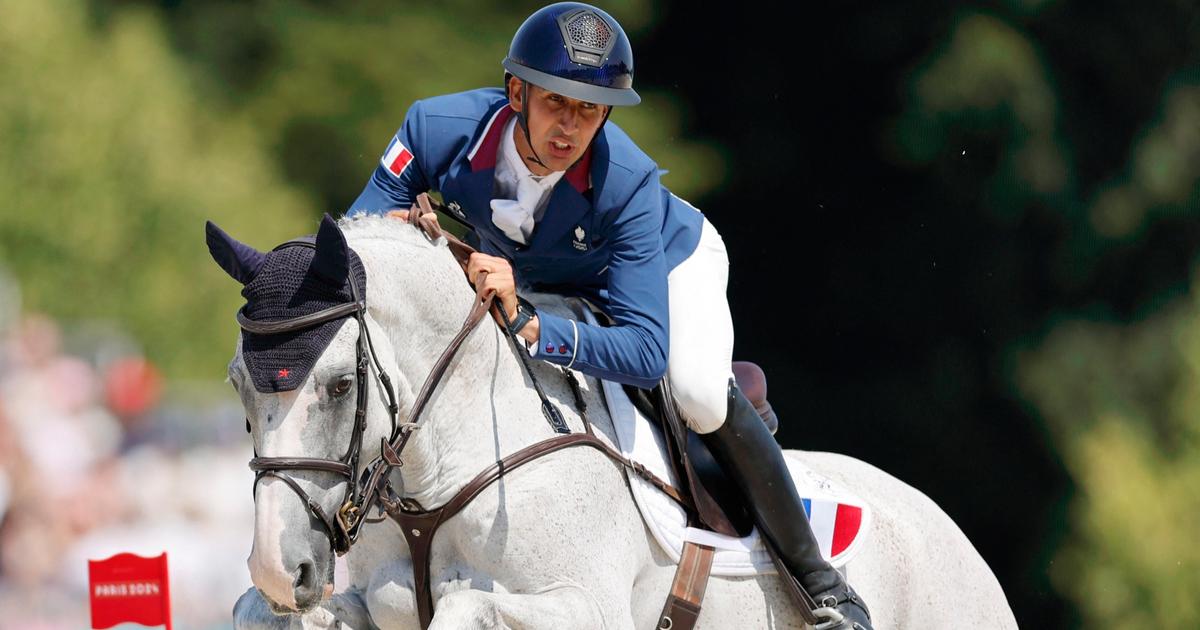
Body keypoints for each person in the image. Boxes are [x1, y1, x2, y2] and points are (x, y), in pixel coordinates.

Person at [346, 3, 871, 627]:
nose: (570, 128)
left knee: (697, 393)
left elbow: (645, 353)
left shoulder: (626, 181)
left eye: (590, 110)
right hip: (543, 273)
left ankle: (823, 586)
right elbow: (358, 245)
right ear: (516, 92)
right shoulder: (435, 128)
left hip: (668, 264)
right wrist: (409, 239)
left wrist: (533, 326)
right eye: (556, 103)